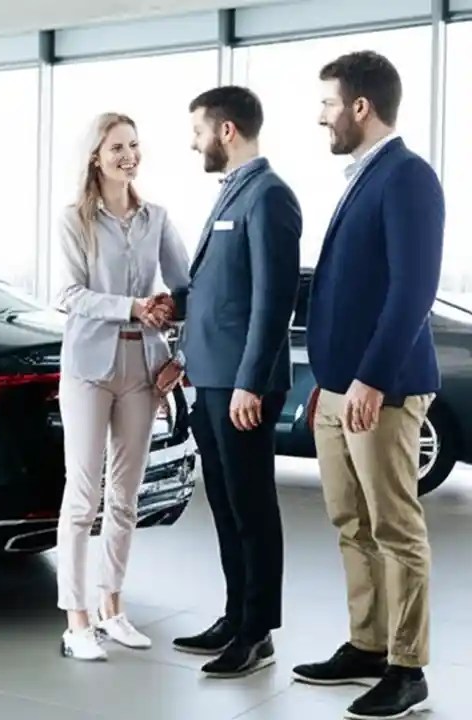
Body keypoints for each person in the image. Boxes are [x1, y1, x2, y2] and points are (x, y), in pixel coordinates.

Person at [293, 50, 443, 720]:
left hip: (382, 390)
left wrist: (371, 380)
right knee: (351, 522)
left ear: (360, 106)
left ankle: (408, 669)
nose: (321, 116)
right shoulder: (363, 177)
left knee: (394, 525)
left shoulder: (409, 176)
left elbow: (413, 290)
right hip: (340, 389)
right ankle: (367, 644)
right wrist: (329, 383)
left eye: (328, 104)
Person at [163, 86, 302, 678]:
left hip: (242, 387)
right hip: (212, 381)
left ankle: (256, 630)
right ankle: (233, 614)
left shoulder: (269, 197)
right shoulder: (234, 195)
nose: (192, 142)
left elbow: (275, 302)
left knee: (251, 507)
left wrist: (249, 382)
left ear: (226, 131)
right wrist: (167, 307)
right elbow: (220, 291)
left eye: (197, 130)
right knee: (223, 503)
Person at [53, 112, 191, 662]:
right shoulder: (74, 220)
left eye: (134, 145)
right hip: (88, 367)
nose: (128, 155)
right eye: (117, 147)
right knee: (83, 496)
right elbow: (67, 294)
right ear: (96, 156)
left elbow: (184, 287)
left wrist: (175, 346)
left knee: (126, 497)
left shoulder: (156, 218)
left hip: (143, 369)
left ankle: (112, 609)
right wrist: (130, 306)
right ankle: (76, 620)